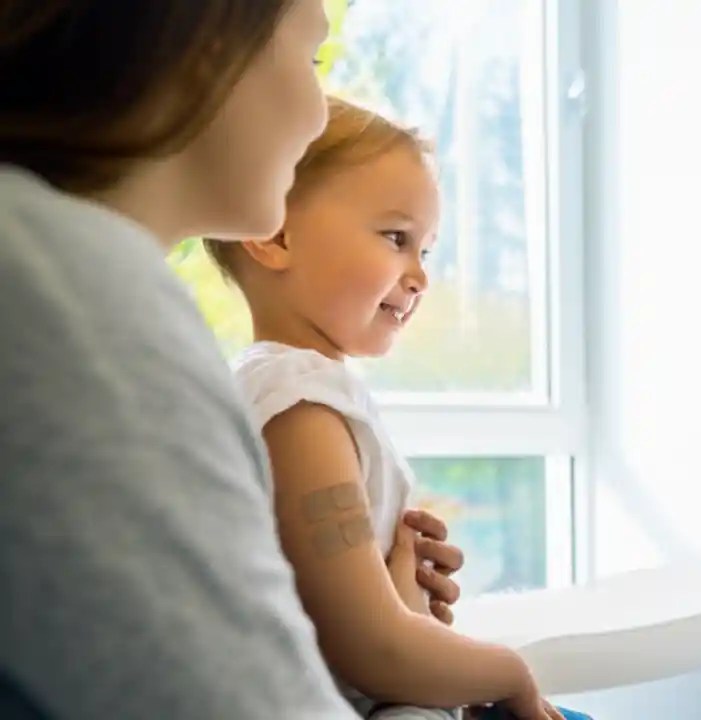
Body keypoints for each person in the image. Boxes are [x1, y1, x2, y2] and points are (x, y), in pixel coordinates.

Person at [0, 1, 456, 716]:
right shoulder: (60, 284)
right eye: (310, 58)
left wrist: (388, 607)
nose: (314, 116)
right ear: (206, 43)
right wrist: (417, 654)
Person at [204, 95, 566, 720]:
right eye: (396, 237)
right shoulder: (298, 405)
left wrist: (406, 603)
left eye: (424, 250)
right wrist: (511, 676)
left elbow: (366, 624)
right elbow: (370, 650)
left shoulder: (287, 389)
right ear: (275, 235)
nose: (420, 276)